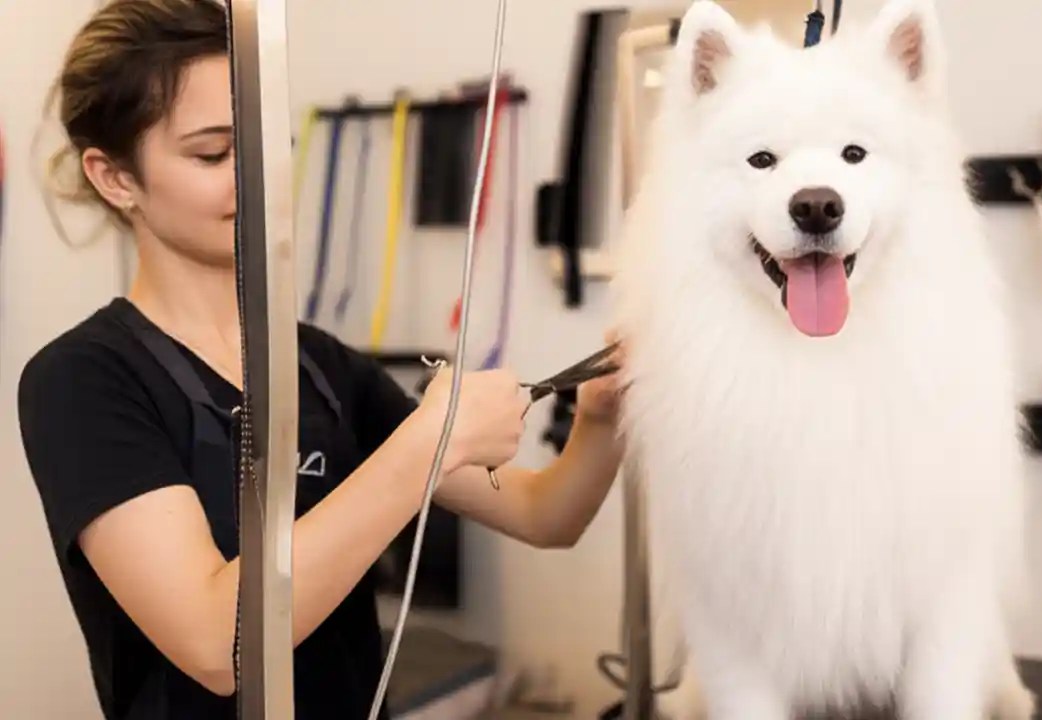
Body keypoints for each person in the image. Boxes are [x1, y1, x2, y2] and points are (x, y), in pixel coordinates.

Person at [15, 1, 625, 718]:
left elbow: (545, 515)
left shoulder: (319, 366)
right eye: (213, 154)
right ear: (116, 179)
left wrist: (602, 414)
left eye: (267, 144)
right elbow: (221, 645)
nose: (258, 178)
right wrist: (428, 445)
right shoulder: (82, 381)